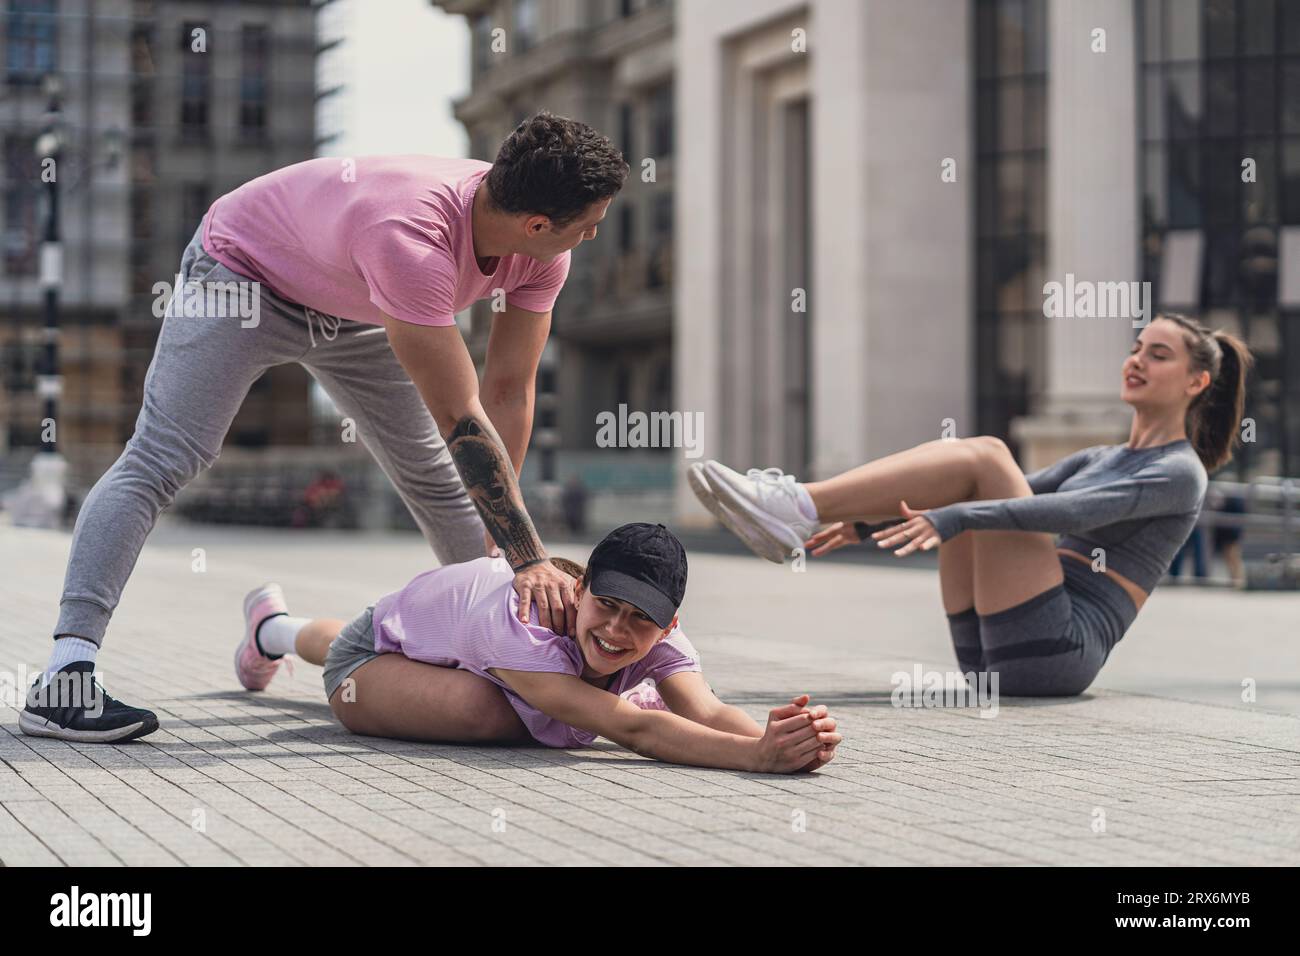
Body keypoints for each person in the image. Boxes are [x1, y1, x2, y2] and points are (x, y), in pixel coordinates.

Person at [23, 113, 627, 743]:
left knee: (439, 482)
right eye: (588, 224)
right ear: (537, 224)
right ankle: (65, 679)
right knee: (162, 459)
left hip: (354, 302)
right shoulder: (413, 240)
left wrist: (508, 559)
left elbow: (507, 392)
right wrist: (529, 556)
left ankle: (501, 645)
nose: (590, 236)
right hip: (243, 275)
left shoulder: (537, 255)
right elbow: (462, 416)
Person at [689, 315, 1253, 697]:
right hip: (994, 649)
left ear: (1197, 382)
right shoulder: (1102, 455)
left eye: (1158, 355)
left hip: (1057, 651)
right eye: (1135, 349)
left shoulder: (1181, 471)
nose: (1137, 361)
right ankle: (799, 508)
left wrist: (951, 519)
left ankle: (797, 503)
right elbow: (1008, 492)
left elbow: (1071, 515)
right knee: (977, 469)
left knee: (986, 455)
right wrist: (863, 523)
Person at [236, 523, 841, 774]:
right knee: (488, 710)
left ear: (669, 624)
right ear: (579, 591)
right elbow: (637, 731)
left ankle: (276, 625)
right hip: (365, 657)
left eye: (641, 622)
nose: (616, 631)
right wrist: (755, 759)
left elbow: (705, 712)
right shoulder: (524, 623)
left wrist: (780, 741)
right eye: (606, 606)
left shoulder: (657, 634)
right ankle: (273, 631)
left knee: (544, 707)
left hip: (432, 636)